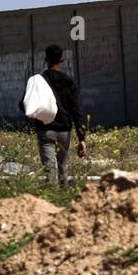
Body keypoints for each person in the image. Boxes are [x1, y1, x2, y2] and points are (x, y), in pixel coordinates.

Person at [28, 44, 88, 184]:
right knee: (62, 168)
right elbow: (77, 111)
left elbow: (25, 104)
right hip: (64, 131)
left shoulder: (39, 81)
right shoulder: (69, 82)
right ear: (62, 60)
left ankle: (52, 200)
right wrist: (82, 138)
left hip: (45, 130)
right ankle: (63, 199)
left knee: (50, 169)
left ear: (45, 59)